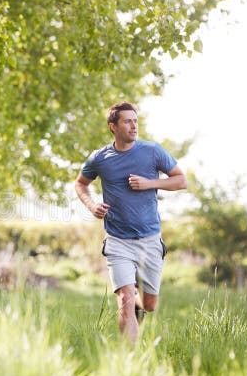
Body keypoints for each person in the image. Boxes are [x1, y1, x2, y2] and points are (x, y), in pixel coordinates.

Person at [74, 102, 187, 343]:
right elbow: (80, 184)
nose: (134, 125)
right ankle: (130, 361)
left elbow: (181, 180)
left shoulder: (153, 151)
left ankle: (139, 309)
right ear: (113, 126)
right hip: (117, 241)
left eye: (135, 120)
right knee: (125, 300)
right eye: (127, 121)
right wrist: (92, 205)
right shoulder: (100, 158)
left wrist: (150, 183)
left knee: (149, 304)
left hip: (150, 240)